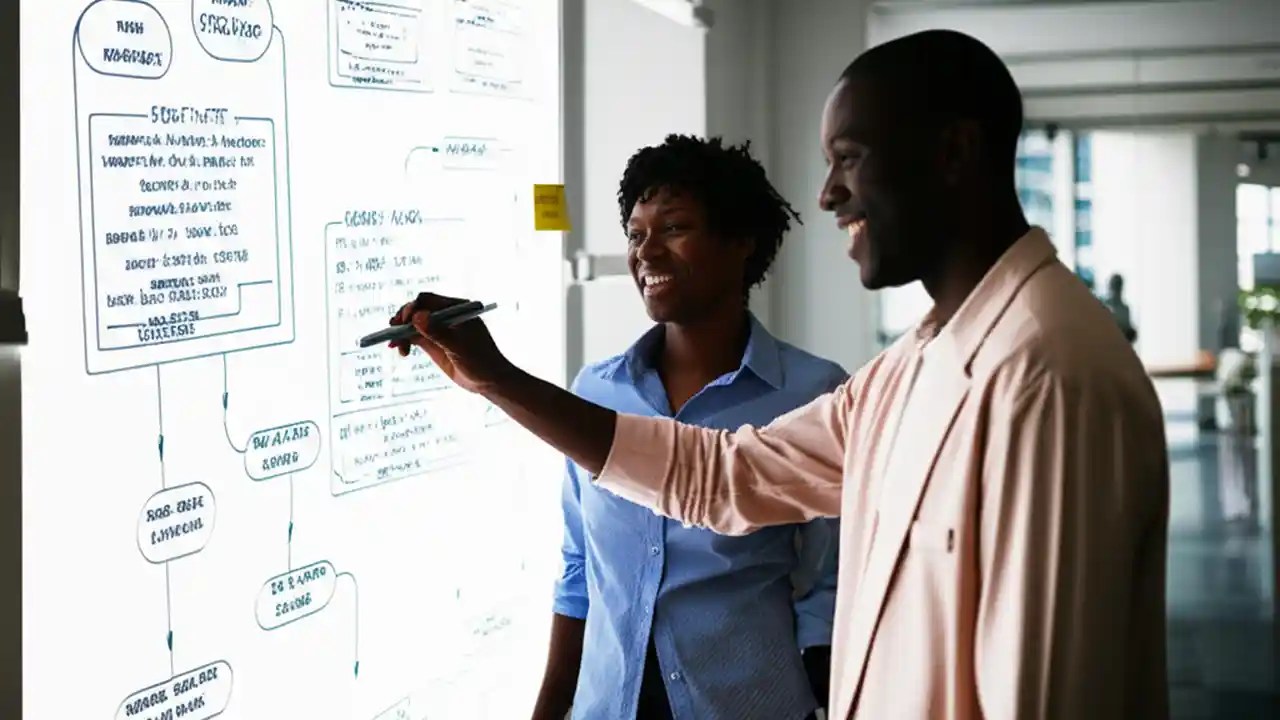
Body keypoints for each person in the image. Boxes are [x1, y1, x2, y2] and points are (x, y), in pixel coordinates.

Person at [391, 29, 1170, 720]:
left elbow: (1050, 694)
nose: (829, 194)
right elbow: (724, 476)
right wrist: (494, 378)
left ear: (953, 153)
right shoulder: (916, 363)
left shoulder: (1046, 374)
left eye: (849, 160)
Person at [530, 134, 846, 720]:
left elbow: (831, 578)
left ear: (741, 243)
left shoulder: (813, 393)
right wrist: (549, 709)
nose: (646, 253)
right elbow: (579, 569)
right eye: (635, 233)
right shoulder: (596, 395)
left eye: (673, 228)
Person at [1102, 273, 1138, 342]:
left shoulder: (1125, 309)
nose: (1116, 288)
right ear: (1110, 286)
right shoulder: (1103, 306)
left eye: (1118, 284)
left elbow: (1128, 331)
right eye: (1114, 284)